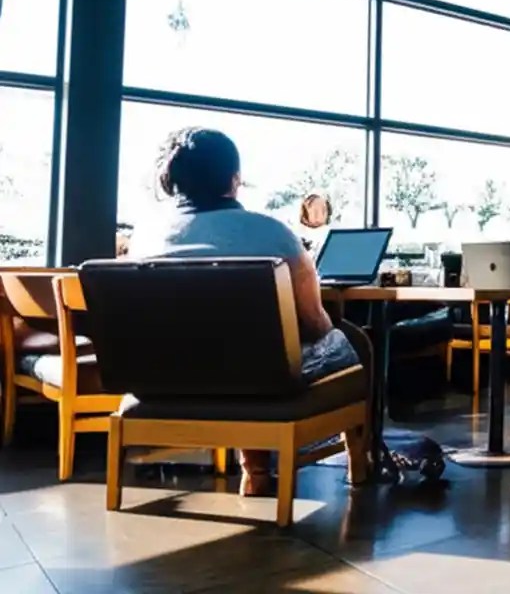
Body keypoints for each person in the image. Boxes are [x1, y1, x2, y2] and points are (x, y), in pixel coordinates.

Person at [128, 127, 361, 496]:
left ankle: (257, 472)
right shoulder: (271, 234)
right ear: (234, 180)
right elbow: (315, 322)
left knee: (240, 353)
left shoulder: (145, 238)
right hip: (259, 382)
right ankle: (362, 465)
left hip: (162, 379)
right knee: (353, 341)